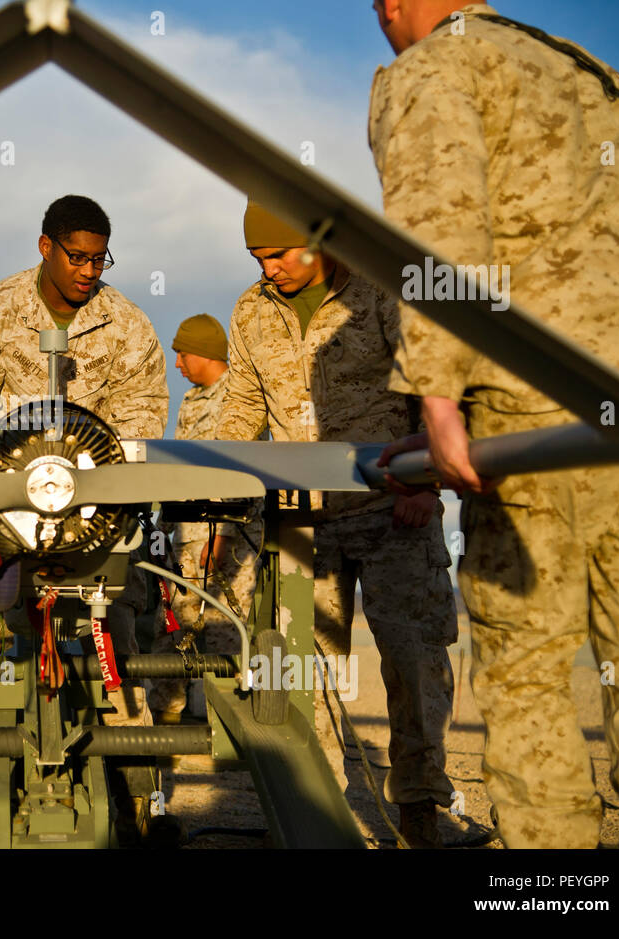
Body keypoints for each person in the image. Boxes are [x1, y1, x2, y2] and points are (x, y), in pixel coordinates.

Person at [369, 0, 619, 848]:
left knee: (530, 677)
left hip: (529, 423)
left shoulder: (435, 68)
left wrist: (437, 398)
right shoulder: (594, 73)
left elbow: (438, 234)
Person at [216, 202, 458, 847]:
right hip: (302, 523)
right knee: (304, 674)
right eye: (257, 259)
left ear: (317, 241)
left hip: (393, 512)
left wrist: (428, 482)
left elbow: (430, 388)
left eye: (279, 255)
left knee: (414, 668)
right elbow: (242, 405)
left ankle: (420, 815)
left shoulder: (380, 291)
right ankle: (319, 817)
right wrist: (217, 483)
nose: (269, 270)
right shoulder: (250, 311)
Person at [0, 194, 169, 726]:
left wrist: (86, 479)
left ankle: (133, 786)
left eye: (99, 259)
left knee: (120, 650)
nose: (89, 271)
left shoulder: (127, 326)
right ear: (46, 247)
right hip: (4, 511)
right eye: (77, 257)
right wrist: (22, 471)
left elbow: (142, 417)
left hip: (97, 518)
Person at [148, 315, 261, 728]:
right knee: (172, 627)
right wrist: (161, 530)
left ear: (204, 353)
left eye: (182, 354)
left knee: (221, 629)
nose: (177, 364)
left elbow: (238, 472)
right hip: (184, 539)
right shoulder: (193, 401)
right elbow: (180, 472)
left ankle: (225, 723)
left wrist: (224, 536)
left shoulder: (239, 398)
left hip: (224, 537)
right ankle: (169, 720)